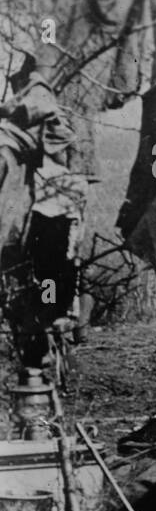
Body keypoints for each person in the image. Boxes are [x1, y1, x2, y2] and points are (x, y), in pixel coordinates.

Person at [0, 51, 84, 369]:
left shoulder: (43, 108)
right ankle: (43, 341)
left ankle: (46, 341)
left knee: (49, 280)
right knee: (44, 282)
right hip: (46, 209)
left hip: (53, 210)